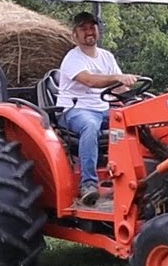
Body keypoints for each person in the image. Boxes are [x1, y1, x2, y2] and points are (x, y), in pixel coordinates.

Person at [57, 11, 138, 205]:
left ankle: (134, 176)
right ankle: (89, 184)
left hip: (103, 108)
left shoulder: (107, 57)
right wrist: (117, 78)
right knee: (90, 126)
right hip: (75, 110)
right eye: (83, 29)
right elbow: (90, 81)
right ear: (74, 34)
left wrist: (130, 88)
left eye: (92, 27)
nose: (89, 32)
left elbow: (119, 87)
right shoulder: (72, 59)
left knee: (136, 119)